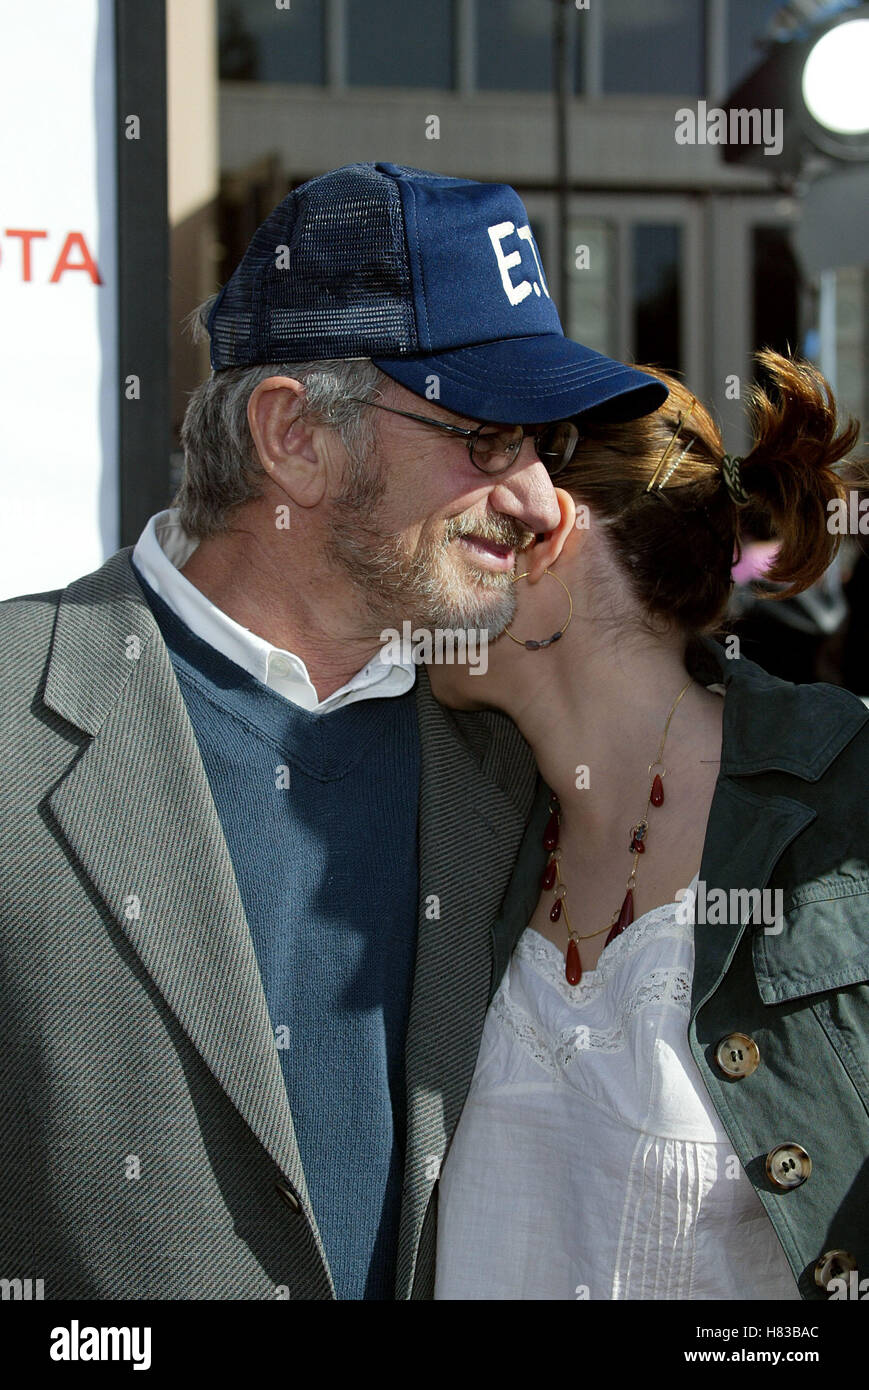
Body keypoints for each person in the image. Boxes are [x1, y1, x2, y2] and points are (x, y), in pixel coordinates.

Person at [0, 162, 667, 1301]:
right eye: (484, 439)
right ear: (293, 437)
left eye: (543, 443)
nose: (540, 501)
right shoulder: (23, 715)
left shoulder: (518, 760)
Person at [428, 349, 869, 1301]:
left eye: (451, 517)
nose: (412, 575)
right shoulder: (452, 816)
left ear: (540, 535)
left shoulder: (843, 821)